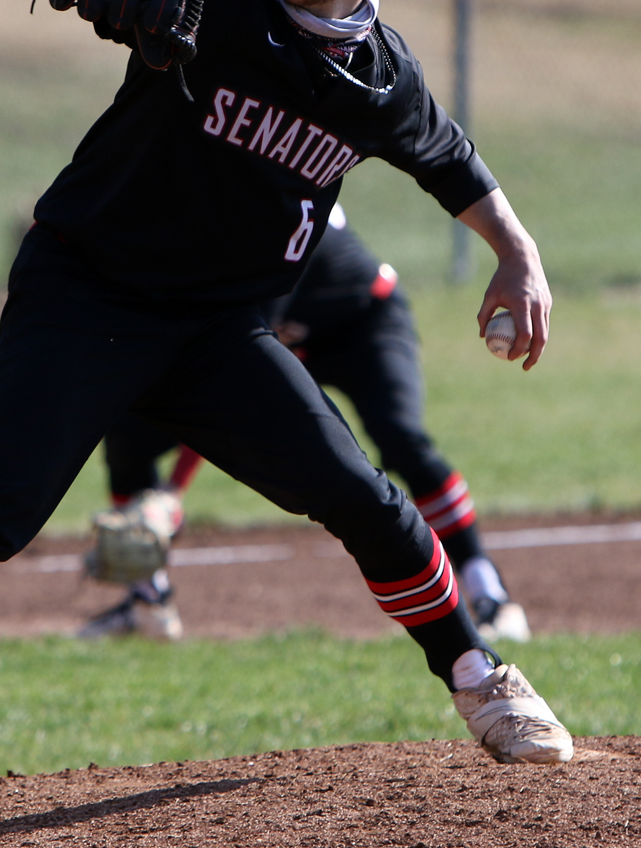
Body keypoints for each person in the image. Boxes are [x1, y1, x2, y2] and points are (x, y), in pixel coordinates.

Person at [0, 0, 572, 802]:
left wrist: (518, 252)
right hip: (88, 298)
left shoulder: (381, 79)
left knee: (366, 499)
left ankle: (483, 682)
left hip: (219, 336)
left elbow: (451, 163)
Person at [81, 206, 532, 645]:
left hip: (364, 327)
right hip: (286, 341)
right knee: (129, 430)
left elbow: (237, 367)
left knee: (401, 439)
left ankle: (491, 595)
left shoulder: (278, 213)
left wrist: (173, 492)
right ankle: (147, 601)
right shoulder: (209, 226)